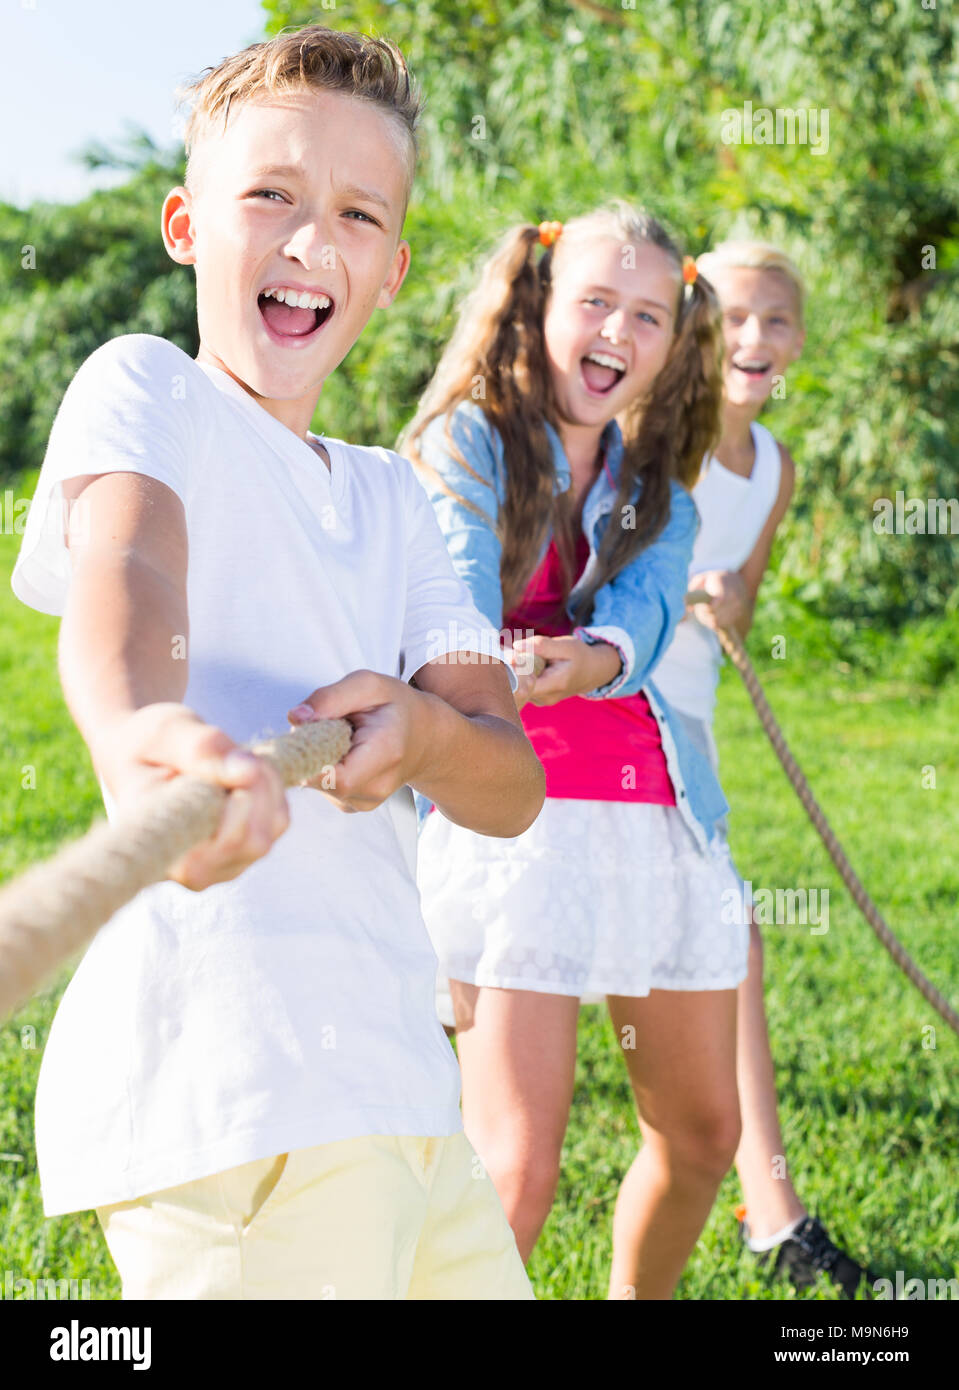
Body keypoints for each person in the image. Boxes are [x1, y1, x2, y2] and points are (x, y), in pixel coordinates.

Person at [10, 25, 544, 1302]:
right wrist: (139, 728)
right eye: (272, 197)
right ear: (186, 225)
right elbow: (131, 567)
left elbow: (505, 779)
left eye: (358, 214)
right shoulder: (147, 391)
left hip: (408, 1100)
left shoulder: (389, 498)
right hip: (240, 1100)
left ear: (394, 270)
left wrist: (419, 735)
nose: (312, 242)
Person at [402, 203, 746, 1300]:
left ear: (671, 343)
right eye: (594, 300)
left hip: (656, 823)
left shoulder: (660, 491)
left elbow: (643, 616)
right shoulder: (469, 442)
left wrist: (588, 658)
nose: (616, 331)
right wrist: (495, 661)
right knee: (512, 1168)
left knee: (702, 1135)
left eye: (646, 315)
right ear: (540, 301)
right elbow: (452, 590)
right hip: (519, 824)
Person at [652, 239, 878, 1298]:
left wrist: (721, 597)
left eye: (776, 321)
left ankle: (764, 1203)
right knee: (727, 928)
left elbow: (741, 594)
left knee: (717, 932)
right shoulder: (651, 433)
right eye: (733, 315)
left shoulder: (772, 467)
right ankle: (771, 1209)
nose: (753, 339)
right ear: (695, 319)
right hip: (616, 700)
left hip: (686, 716)